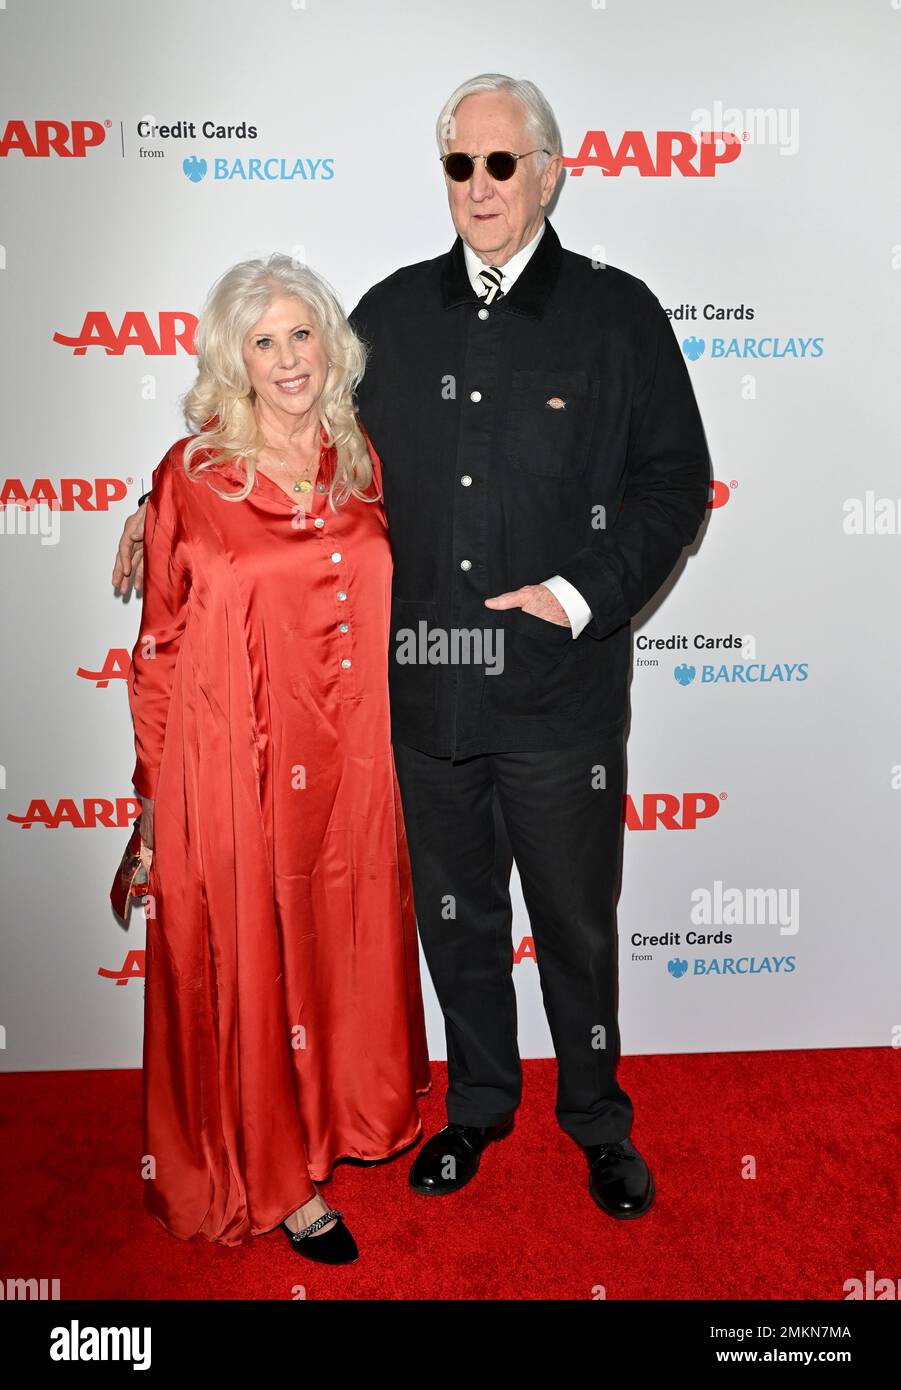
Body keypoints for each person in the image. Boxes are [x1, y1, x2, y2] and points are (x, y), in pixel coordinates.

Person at [115, 71, 711, 1225]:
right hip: (421, 711)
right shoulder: (386, 316)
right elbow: (287, 414)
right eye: (458, 164)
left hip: (558, 702)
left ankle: (596, 1117)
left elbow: (673, 481)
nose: (479, 185)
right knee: (457, 922)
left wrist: (585, 591)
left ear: (548, 173)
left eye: (501, 162)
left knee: (577, 927)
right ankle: (480, 1102)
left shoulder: (617, 312)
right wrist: (165, 498)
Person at [124, 254, 430, 1262]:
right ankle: (282, 1180)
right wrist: (152, 797)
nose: (288, 358)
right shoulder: (192, 474)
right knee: (256, 957)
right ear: (235, 362)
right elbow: (160, 644)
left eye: (303, 334)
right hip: (237, 772)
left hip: (350, 766)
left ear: (330, 345)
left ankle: (331, 1127)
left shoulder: (365, 456)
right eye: (264, 342)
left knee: (330, 941)